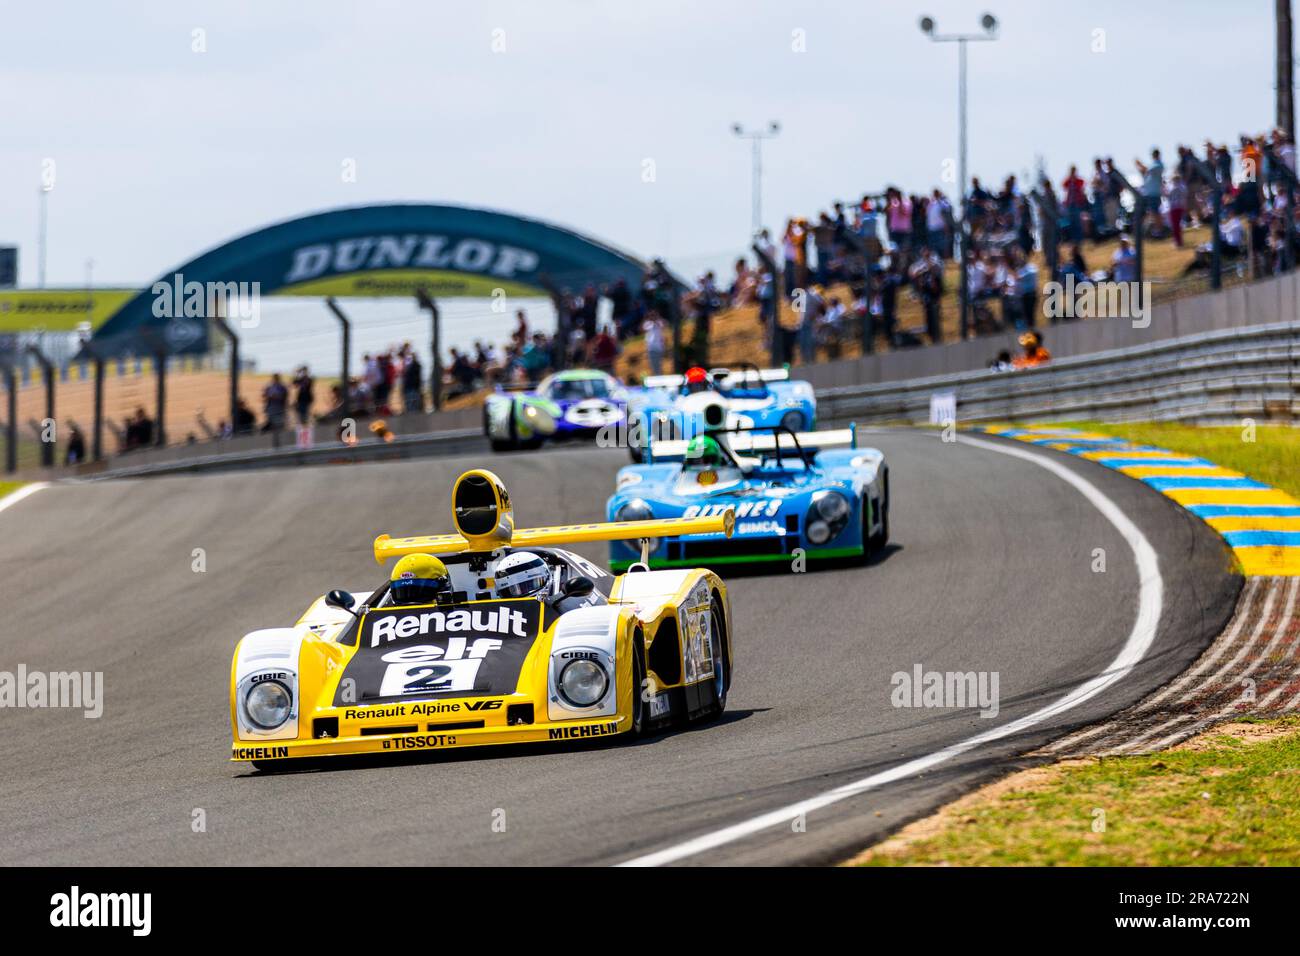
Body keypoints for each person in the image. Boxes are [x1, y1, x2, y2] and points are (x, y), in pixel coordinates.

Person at [643, 310, 667, 376]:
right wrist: (653, 322)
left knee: (659, 365)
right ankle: (657, 378)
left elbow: (664, 325)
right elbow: (644, 329)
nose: (653, 317)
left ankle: (660, 379)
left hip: (659, 348)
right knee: (653, 366)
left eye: (654, 315)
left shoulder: (659, 322)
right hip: (651, 348)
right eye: (651, 315)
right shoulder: (647, 323)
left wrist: (658, 319)